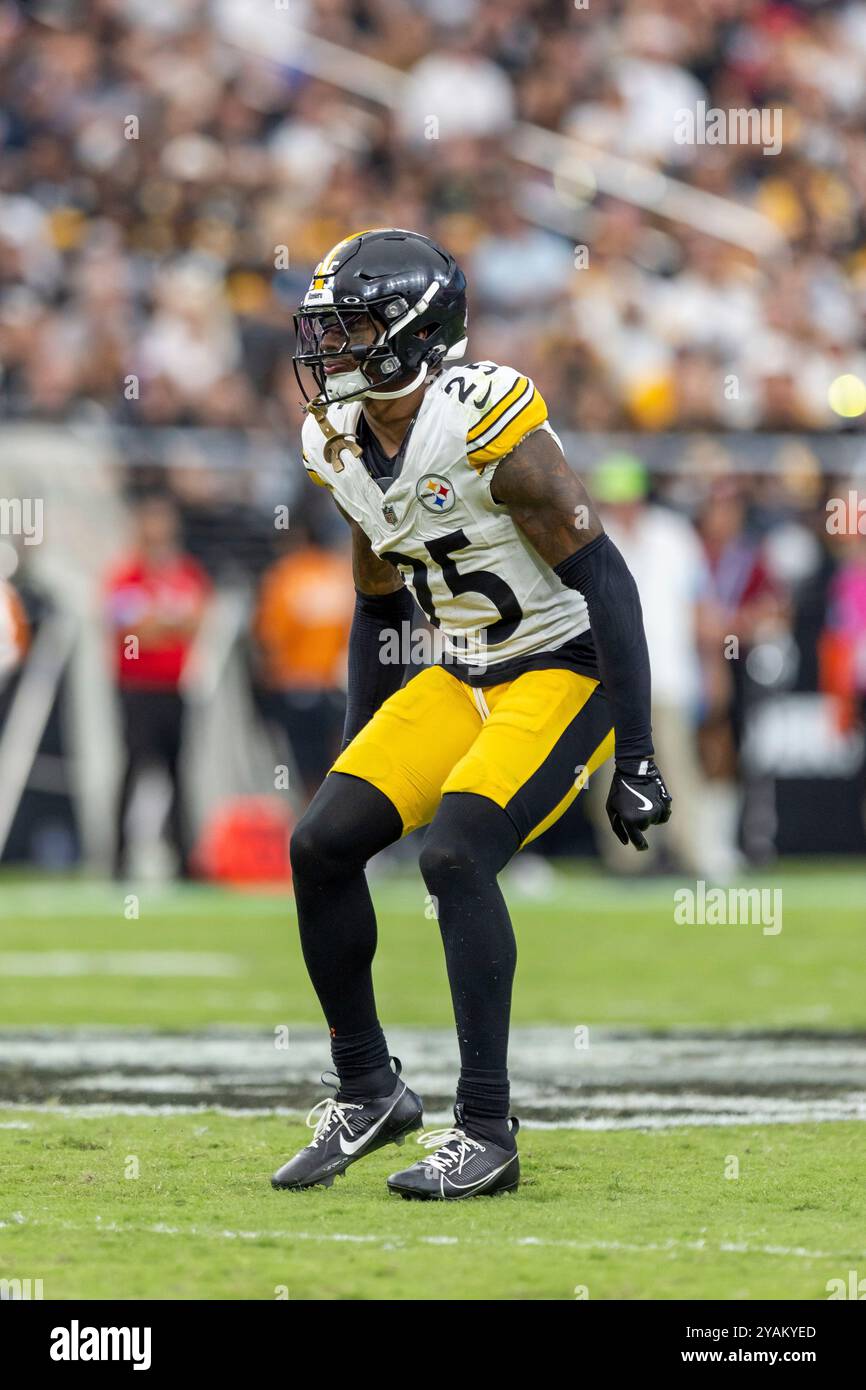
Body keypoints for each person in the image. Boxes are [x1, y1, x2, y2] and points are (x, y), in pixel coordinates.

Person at [272, 229, 671, 1200]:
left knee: (454, 856)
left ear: (412, 332)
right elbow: (376, 598)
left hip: (562, 668)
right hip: (462, 670)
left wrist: (640, 754)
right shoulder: (337, 441)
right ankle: (368, 1090)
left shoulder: (482, 420)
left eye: (353, 326)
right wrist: (357, 743)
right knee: (320, 843)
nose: (330, 347)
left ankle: (485, 1127)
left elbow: (606, 578)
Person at [106, 493, 210, 878]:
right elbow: (132, 631)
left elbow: (197, 621)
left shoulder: (185, 573)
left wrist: (158, 624)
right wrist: (169, 624)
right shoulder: (125, 575)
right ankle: (119, 861)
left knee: (178, 772)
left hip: (174, 688)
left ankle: (184, 860)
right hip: (136, 689)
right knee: (134, 769)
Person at [253, 523, 354, 804]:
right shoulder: (341, 573)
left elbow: (270, 635)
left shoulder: (286, 576)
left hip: (295, 684)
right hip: (337, 686)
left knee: (302, 767)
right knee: (337, 759)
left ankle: (310, 818)